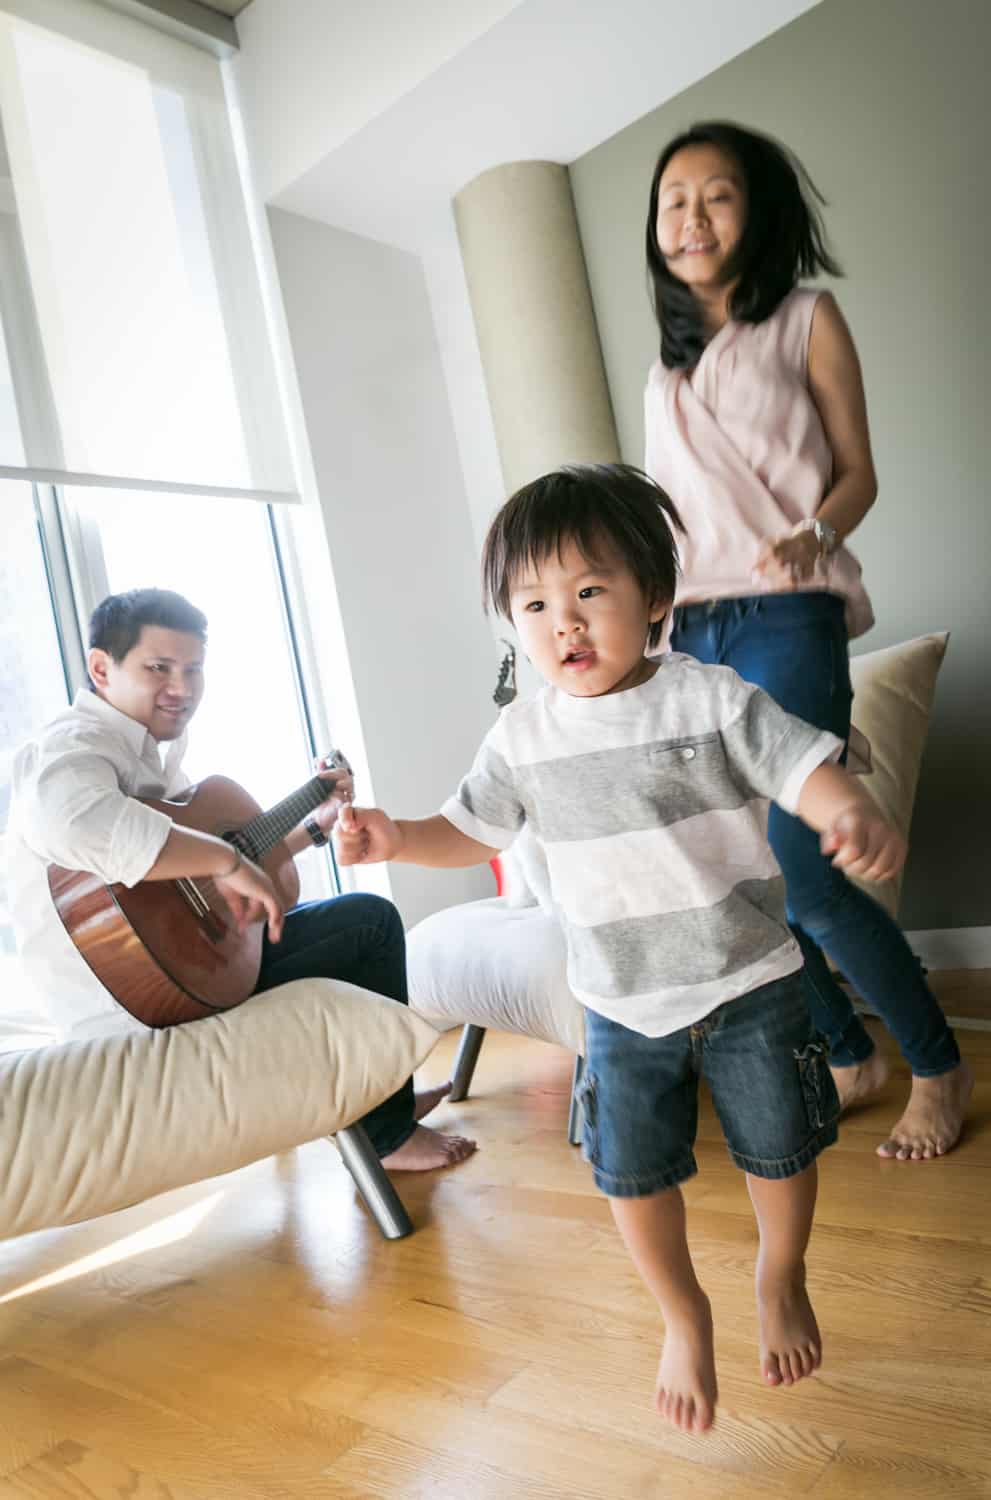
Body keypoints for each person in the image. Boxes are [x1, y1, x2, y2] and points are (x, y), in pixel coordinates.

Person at [332, 464, 907, 1433]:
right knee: (630, 1173)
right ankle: (681, 1315)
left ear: (654, 599)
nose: (565, 622)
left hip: (748, 981)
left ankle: (779, 1275)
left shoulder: (712, 700)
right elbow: (470, 832)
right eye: (535, 602)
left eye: (590, 592)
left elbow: (803, 766)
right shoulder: (519, 737)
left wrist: (846, 805)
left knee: (780, 1150)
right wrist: (396, 838)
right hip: (619, 1001)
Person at [643, 120, 971, 1161]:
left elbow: (858, 471)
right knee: (735, 872)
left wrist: (814, 533)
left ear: (759, 210)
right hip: (691, 625)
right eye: (673, 201)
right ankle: (845, 1049)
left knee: (806, 865)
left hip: (787, 611)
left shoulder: (805, 319)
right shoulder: (665, 370)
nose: (692, 217)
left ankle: (934, 1064)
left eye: (717, 195)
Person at [6, 588, 475, 1173]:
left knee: (353, 922)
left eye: (193, 669)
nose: (181, 688)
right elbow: (73, 821)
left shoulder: (152, 753)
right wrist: (225, 862)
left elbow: (213, 867)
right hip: (131, 996)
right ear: (102, 668)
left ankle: (380, 1103)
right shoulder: (71, 748)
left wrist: (316, 825)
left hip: (175, 965)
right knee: (368, 923)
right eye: (158, 668)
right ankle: (383, 1130)